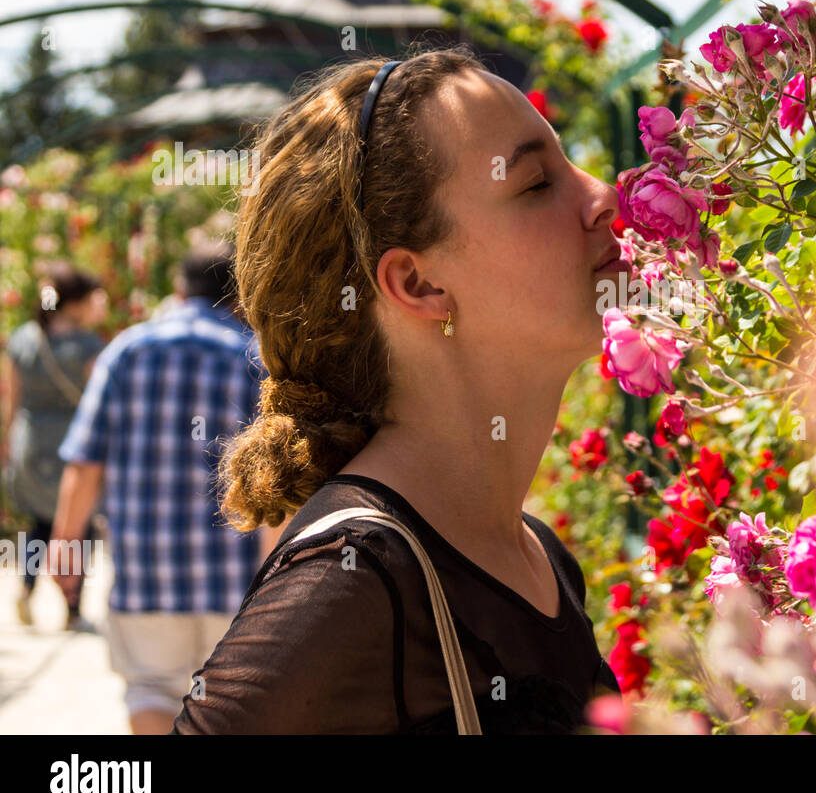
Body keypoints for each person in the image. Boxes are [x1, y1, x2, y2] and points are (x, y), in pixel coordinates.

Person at [171, 45, 625, 735]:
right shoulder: (354, 580)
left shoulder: (533, 553)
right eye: (537, 183)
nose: (605, 195)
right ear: (419, 284)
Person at [52, 240, 270, 734]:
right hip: (233, 583)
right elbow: (274, 485)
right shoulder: (256, 360)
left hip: (146, 576)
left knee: (150, 689)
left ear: (178, 289)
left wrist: (66, 549)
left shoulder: (124, 353)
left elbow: (85, 465)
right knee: (232, 706)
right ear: (241, 297)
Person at [1, 263, 106, 630]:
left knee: (39, 523)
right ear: (74, 303)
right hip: (73, 447)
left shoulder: (23, 339)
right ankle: (72, 606)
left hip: (30, 442)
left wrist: (8, 445)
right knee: (78, 524)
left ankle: (26, 591)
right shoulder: (87, 346)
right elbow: (99, 404)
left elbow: (11, 400)